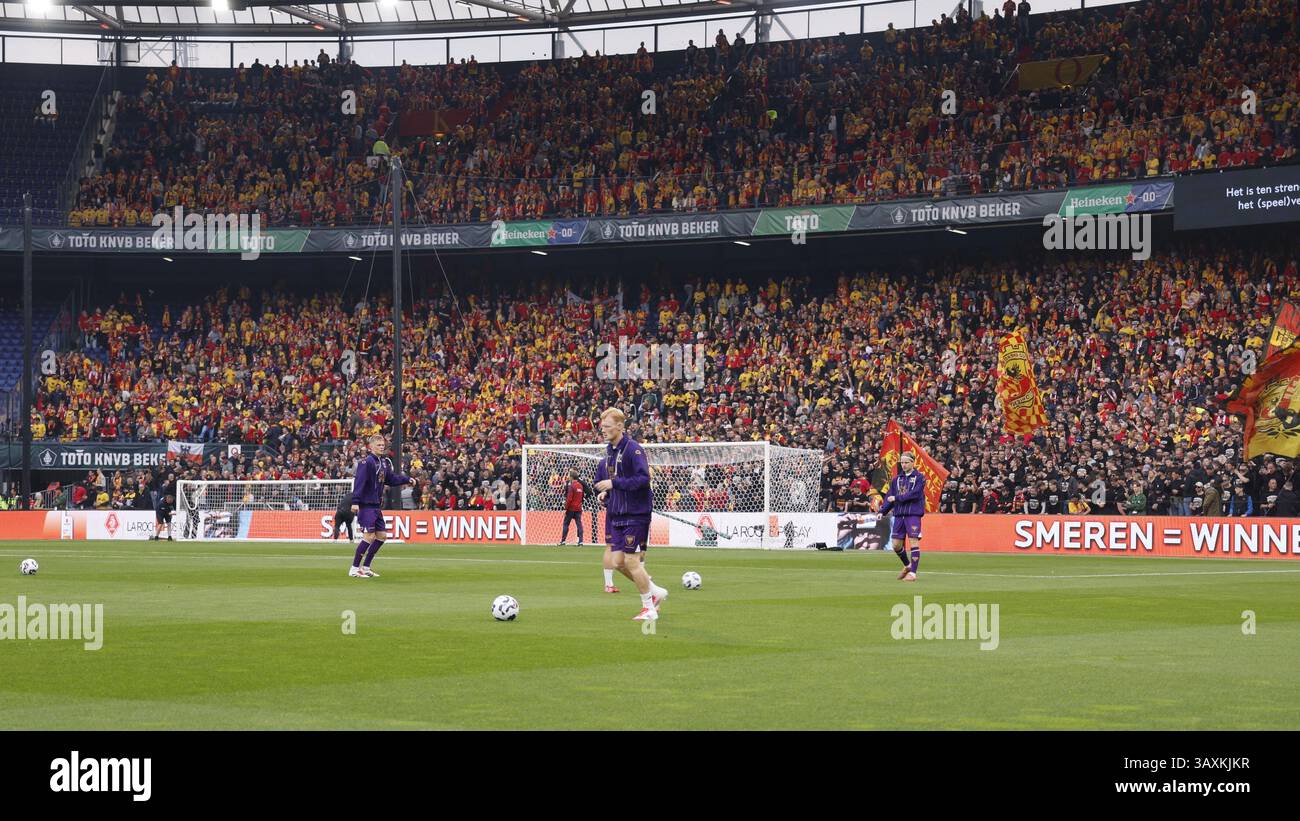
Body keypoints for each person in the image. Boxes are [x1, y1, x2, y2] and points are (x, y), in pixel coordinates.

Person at [593, 408, 668, 620]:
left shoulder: (634, 449)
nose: (604, 430)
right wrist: (607, 494)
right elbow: (615, 483)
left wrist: (613, 483)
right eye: (603, 427)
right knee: (618, 562)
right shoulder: (609, 451)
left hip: (636, 513)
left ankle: (649, 608)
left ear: (619, 426)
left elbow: (643, 479)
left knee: (633, 561)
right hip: (617, 513)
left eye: (607, 426)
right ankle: (654, 590)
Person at [348, 434, 417, 578]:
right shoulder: (366, 463)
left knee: (382, 536)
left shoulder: (384, 462)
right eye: (378, 445)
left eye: (382, 445)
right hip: (366, 505)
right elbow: (359, 483)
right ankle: (354, 568)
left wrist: (407, 479)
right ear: (371, 447)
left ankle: (366, 567)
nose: (381, 447)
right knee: (369, 536)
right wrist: (355, 502)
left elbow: (391, 479)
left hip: (376, 506)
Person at [876, 451, 925, 582]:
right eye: (902, 462)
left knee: (913, 541)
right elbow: (889, 498)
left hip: (913, 514)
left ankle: (913, 574)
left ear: (913, 463)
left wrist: (897, 497)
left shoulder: (920, 477)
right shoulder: (896, 479)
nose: (903, 465)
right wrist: (882, 511)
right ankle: (908, 565)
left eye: (906, 462)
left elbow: (915, 494)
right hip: (899, 515)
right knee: (896, 545)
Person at [558, 468, 585, 546]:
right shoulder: (580, 486)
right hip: (578, 508)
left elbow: (569, 499)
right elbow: (581, 497)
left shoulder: (571, 486)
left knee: (566, 524)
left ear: (571, 477)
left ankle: (563, 541)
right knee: (579, 525)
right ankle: (581, 541)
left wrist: (565, 509)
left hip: (571, 509)